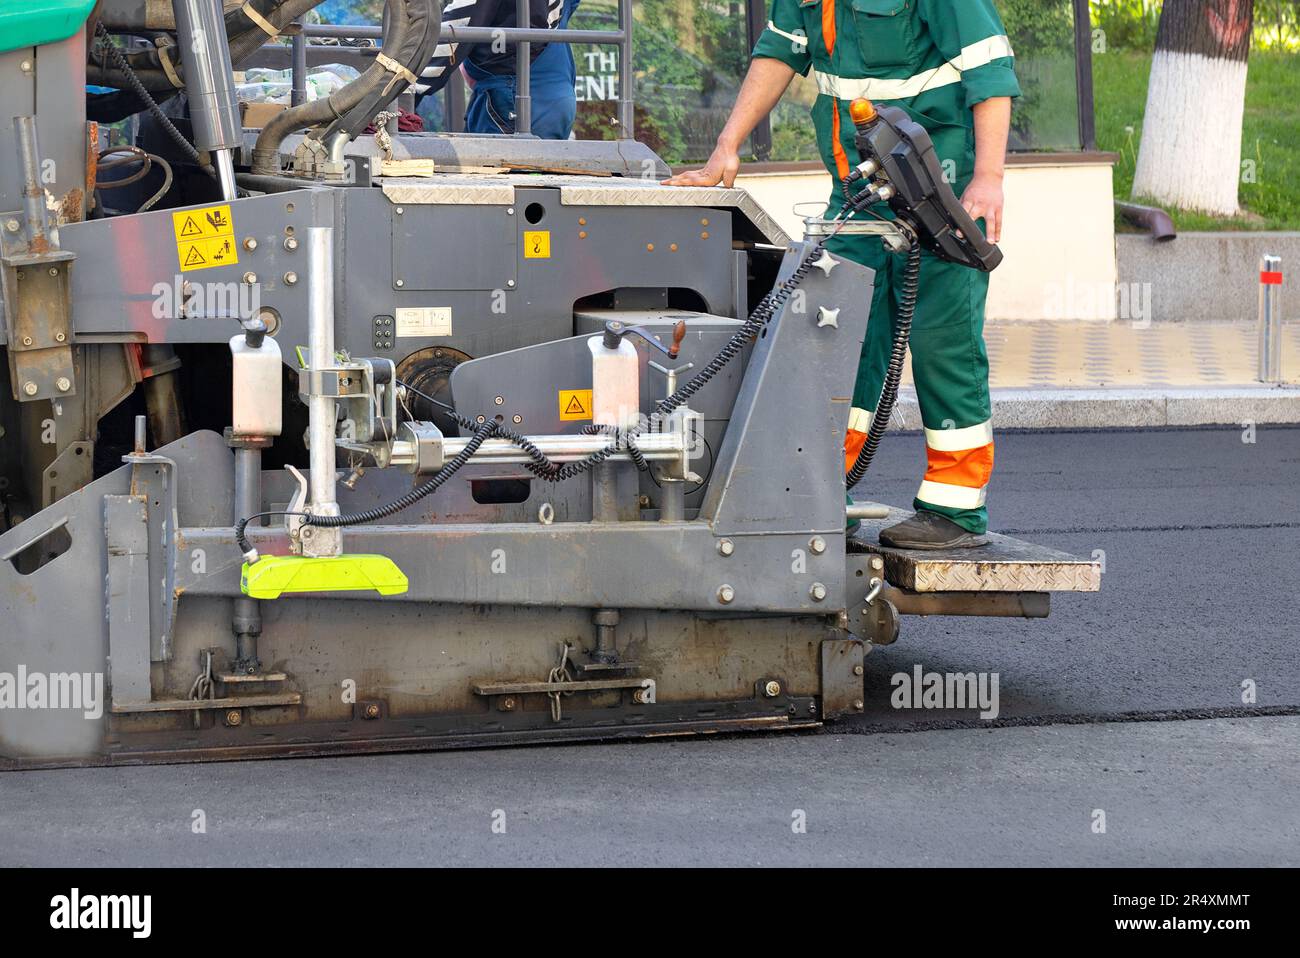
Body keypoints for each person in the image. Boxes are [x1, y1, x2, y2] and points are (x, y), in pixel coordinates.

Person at [665, 0, 1019, 550]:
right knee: (840, 338)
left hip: (941, 190)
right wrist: (726, 147)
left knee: (940, 341)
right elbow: (778, 53)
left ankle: (955, 507)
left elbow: (989, 69)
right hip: (859, 188)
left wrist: (990, 177)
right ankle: (825, 493)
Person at [420, 0, 580, 140]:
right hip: (557, 99)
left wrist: (405, 90)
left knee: (502, 170)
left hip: (514, 100)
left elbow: (453, 29)